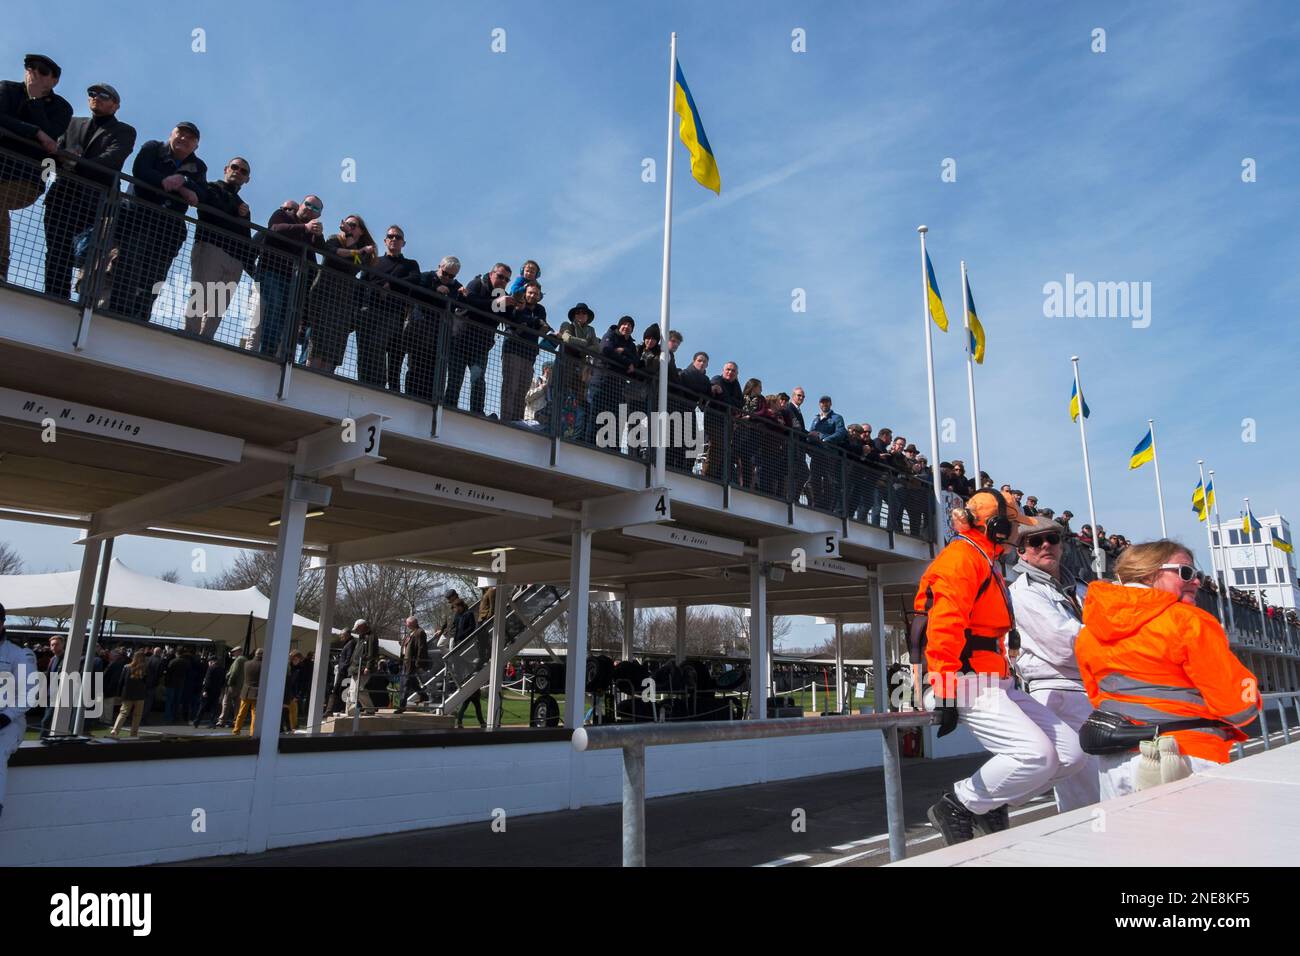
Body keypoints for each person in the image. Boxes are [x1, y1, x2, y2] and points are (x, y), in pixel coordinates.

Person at [917, 489, 1087, 845]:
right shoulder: (961, 560)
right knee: (1035, 756)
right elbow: (943, 628)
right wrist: (946, 689)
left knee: (1071, 753)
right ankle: (958, 805)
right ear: (996, 526)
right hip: (966, 680)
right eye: (1014, 526)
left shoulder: (986, 559)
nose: (1019, 534)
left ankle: (990, 803)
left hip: (996, 680)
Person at [1075, 540, 1260, 798]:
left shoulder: (1089, 631)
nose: (1196, 582)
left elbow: (1096, 696)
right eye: (1186, 572)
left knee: (1127, 837)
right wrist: (1251, 687)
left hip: (1114, 765)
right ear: (1150, 573)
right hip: (1186, 756)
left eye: (1197, 575)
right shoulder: (1189, 621)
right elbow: (1239, 707)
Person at [1008, 517, 1100, 811]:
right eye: (1035, 541)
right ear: (1021, 551)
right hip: (1058, 692)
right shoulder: (1023, 591)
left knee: (1110, 786)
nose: (1045, 545)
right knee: (1083, 794)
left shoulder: (1081, 588)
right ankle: (979, 804)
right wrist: (1115, 640)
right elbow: (1065, 645)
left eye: (1052, 539)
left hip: (1093, 689)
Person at [101, 122, 207, 321]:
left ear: (196, 146)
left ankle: (141, 315)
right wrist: (174, 185)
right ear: (171, 134)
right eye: (180, 133)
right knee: (129, 265)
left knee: (155, 275)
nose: (184, 139)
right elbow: (140, 171)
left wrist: (183, 181)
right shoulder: (153, 148)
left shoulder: (198, 167)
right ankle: (118, 313)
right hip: (137, 218)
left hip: (168, 230)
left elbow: (201, 195)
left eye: (190, 137)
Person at [43, 82, 136, 300]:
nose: (97, 97)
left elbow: (111, 161)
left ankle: (86, 302)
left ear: (116, 105)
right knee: (57, 252)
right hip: (62, 196)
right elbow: (53, 154)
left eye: (104, 95)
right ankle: (55, 298)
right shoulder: (72, 124)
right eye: (92, 93)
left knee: (92, 254)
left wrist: (73, 162)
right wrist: (65, 158)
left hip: (94, 202)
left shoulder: (124, 131)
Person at [0, 54, 71, 280]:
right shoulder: (7, 90)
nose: (33, 73)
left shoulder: (61, 107)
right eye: (30, 67)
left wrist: (34, 101)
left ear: (54, 81)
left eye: (41, 71)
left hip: (27, 179)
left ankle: (0, 267)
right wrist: (34, 133)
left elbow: (52, 133)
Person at [187, 156, 253, 338]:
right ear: (226, 169)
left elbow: (245, 237)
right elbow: (207, 212)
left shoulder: (244, 207)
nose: (238, 172)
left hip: (235, 260)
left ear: (247, 179)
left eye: (243, 171)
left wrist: (250, 268)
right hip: (211, 247)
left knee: (219, 306)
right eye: (235, 167)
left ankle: (206, 338)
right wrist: (236, 215)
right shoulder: (211, 188)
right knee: (200, 295)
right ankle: (190, 335)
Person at [255, 194, 324, 358]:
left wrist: (319, 235)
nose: (310, 209)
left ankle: (280, 353)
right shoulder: (282, 215)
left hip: (294, 280)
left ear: (318, 215)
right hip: (271, 271)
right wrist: (304, 228)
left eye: (315, 208)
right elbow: (275, 229)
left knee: (287, 315)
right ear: (300, 205)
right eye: (308, 204)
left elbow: (322, 251)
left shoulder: (311, 231)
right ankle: (267, 352)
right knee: (275, 306)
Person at [304, 214, 375, 373]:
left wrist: (355, 248)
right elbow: (333, 254)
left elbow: (353, 268)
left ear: (361, 231)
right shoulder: (334, 239)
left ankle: (324, 383)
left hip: (343, 303)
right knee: (317, 343)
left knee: (334, 346)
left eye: (353, 225)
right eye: (347, 224)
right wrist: (353, 245)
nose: (349, 227)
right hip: (324, 297)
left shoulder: (362, 254)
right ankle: (307, 377)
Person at [445, 263, 512, 415]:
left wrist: (511, 306)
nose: (503, 281)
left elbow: (498, 316)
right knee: (456, 378)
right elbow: (472, 301)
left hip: (481, 345)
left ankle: (477, 412)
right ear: (491, 274)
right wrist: (496, 304)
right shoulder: (477, 283)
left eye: (506, 280)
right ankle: (449, 407)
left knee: (478, 379)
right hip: (460, 340)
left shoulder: (500, 294)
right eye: (500, 276)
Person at [360, 224, 420, 389]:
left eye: (398, 237)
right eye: (391, 236)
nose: (394, 239)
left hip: (396, 314)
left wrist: (390, 285)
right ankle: (369, 386)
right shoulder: (374, 261)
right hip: (371, 313)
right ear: (385, 241)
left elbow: (415, 280)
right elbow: (363, 282)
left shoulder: (410, 264)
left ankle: (393, 389)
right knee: (370, 353)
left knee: (395, 357)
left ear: (403, 243)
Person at [408, 255, 464, 401]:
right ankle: (411, 396)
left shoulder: (456, 286)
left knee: (436, 369)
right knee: (416, 366)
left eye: (451, 276)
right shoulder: (426, 277)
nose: (447, 278)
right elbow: (414, 292)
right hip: (420, 329)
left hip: (441, 334)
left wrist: (464, 295)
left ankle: (431, 399)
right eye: (445, 273)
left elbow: (463, 303)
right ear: (439, 267)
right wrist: (435, 289)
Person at [0, 603, 37, 817]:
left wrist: (7, 716)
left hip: (9, 723)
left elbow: (31, 693)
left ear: (2, 623)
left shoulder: (19, 654)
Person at [500, 279, 550, 422]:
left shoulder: (540, 310)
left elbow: (543, 327)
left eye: (536, 294)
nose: (533, 296)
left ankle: (517, 420)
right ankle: (506, 419)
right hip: (513, 349)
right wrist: (534, 322)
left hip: (529, 353)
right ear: (525, 292)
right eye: (530, 293)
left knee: (522, 389)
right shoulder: (518, 302)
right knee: (511, 385)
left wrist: (532, 323)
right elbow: (515, 319)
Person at [591, 315, 639, 447]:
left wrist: (623, 351)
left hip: (617, 385)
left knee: (614, 417)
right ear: (619, 325)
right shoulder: (610, 335)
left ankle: (611, 446)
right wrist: (626, 361)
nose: (627, 327)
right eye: (624, 324)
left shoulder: (631, 344)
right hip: (602, 380)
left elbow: (636, 361)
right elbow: (606, 350)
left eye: (630, 325)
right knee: (597, 413)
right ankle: (592, 443)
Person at [807, 395, 847, 511]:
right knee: (815, 477)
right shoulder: (816, 419)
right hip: (817, 452)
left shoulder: (837, 418)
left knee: (828, 479)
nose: (824, 405)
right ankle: (817, 502)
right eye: (822, 403)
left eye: (826, 402)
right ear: (819, 404)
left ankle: (828, 505)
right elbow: (811, 433)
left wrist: (824, 439)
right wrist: (810, 441)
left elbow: (840, 433)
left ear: (830, 404)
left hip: (829, 453)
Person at [452, 599, 485, 728]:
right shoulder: (458, 616)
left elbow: (471, 628)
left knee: (471, 704)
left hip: (465, 643)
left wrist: (462, 636)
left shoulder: (469, 614)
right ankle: (479, 722)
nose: (455, 610)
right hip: (459, 644)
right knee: (473, 704)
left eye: (456, 607)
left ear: (461, 606)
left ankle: (464, 721)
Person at [109, 649, 150, 739]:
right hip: (140, 695)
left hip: (127, 694)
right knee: (137, 715)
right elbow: (147, 683)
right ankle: (134, 733)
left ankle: (115, 730)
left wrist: (119, 694)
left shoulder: (126, 667)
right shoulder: (145, 669)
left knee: (123, 713)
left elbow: (121, 682)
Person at [394, 617, 428, 713]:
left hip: (412, 663)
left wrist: (418, 662)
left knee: (405, 684)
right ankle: (424, 695)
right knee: (412, 682)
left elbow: (421, 648)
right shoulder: (410, 633)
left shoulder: (420, 632)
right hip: (405, 662)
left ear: (413, 623)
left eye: (407, 623)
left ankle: (402, 706)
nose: (406, 625)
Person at [231, 648, 263, 736]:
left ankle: (236, 730)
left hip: (246, 691)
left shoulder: (247, 663)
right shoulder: (264, 665)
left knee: (241, 712)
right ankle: (252, 732)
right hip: (257, 692)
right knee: (254, 714)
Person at [40, 635, 65, 736]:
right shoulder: (53, 659)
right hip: (50, 696)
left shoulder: (66, 659)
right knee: (48, 721)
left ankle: (42, 742)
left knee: (46, 721)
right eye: (52, 645)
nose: (54, 647)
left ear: (62, 645)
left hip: (60, 696)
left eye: (56, 644)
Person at [193, 655, 225, 729]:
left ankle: (197, 721)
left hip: (209, 691)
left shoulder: (211, 668)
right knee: (214, 708)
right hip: (217, 691)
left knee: (202, 707)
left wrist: (205, 690)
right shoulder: (222, 669)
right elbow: (223, 681)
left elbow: (207, 680)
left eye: (209, 662)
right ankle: (212, 723)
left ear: (211, 662)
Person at [217, 647, 245, 728]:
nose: (233, 654)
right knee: (237, 704)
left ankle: (222, 721)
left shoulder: (238, 660)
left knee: (225, 702)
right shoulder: (245, 660)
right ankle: (237, 721)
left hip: (233, 685)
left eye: (234, 652)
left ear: (239, 652)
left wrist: (229, 681)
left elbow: (234, 672)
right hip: (241, 686)